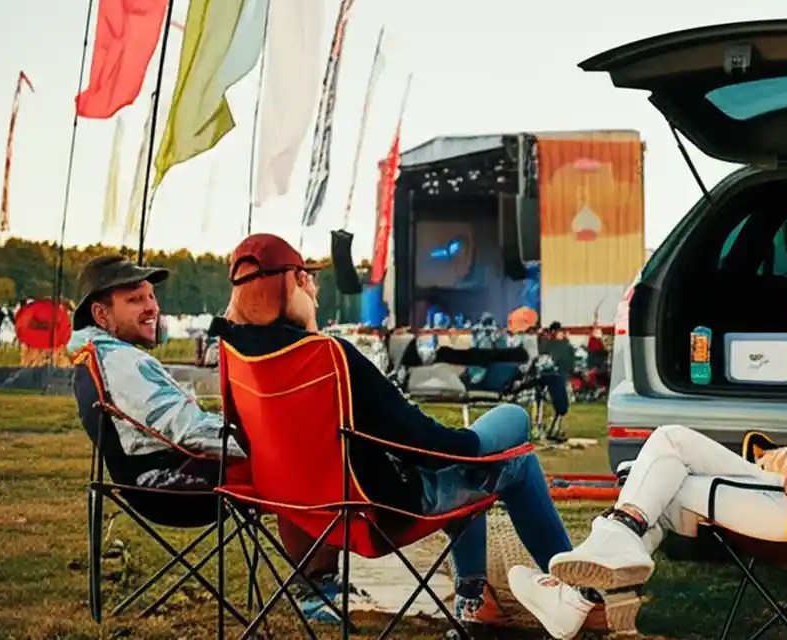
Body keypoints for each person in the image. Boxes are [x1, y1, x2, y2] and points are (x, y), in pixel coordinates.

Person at [508, 259, 787, 639]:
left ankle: (580, 593)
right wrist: (786, 459)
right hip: (782, 480)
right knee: (662, 459)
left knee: (665, 465)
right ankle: (587, 586)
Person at [207, 233, 608, 631]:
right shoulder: (329, 356)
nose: (314, 287)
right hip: (381, 511)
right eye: (305, 278)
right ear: (290, 284)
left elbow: (247, 439)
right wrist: (467, 445)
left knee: (475, 468)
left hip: (307, 509)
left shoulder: (238, 357)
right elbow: (421, 444)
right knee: (514, 451)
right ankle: (578, 598)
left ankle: (476, 599)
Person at [68, 255, 243, 524]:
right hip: (181, 488)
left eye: (151, 296)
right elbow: (186, 429)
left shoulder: (96, 357)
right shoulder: (123, 362)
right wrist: (257, 442)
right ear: (101, 315)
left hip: (151, 486)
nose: (152, 307)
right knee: (297, 463)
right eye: (135, 300)